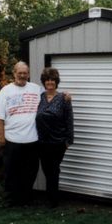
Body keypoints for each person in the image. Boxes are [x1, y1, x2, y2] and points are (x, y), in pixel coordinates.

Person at [0, 61, 41, 206]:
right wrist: (1, 137)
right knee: (11, 172)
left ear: (29, 74)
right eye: (19, 73)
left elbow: (51, 97)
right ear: (14, 74)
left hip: (32, 139)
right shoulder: (6, 91)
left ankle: (26, 198)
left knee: (30, 172)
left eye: (25, 73)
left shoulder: (36, 89)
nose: (22, 75)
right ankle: (10, 199)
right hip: (12, 140)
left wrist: (65, 96)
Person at [36, 67, 74, 208]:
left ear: (56, 81)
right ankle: (51, 196)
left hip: (58, 142)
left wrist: (69, 141)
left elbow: (69, 120)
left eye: (52, 79)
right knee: (46, 169)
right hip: (42, 141)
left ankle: (53, 200)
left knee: (53, 169)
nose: (50, 82)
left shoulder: (63, 98)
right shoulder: (40, 97)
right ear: (44, 82)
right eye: (47, 80)